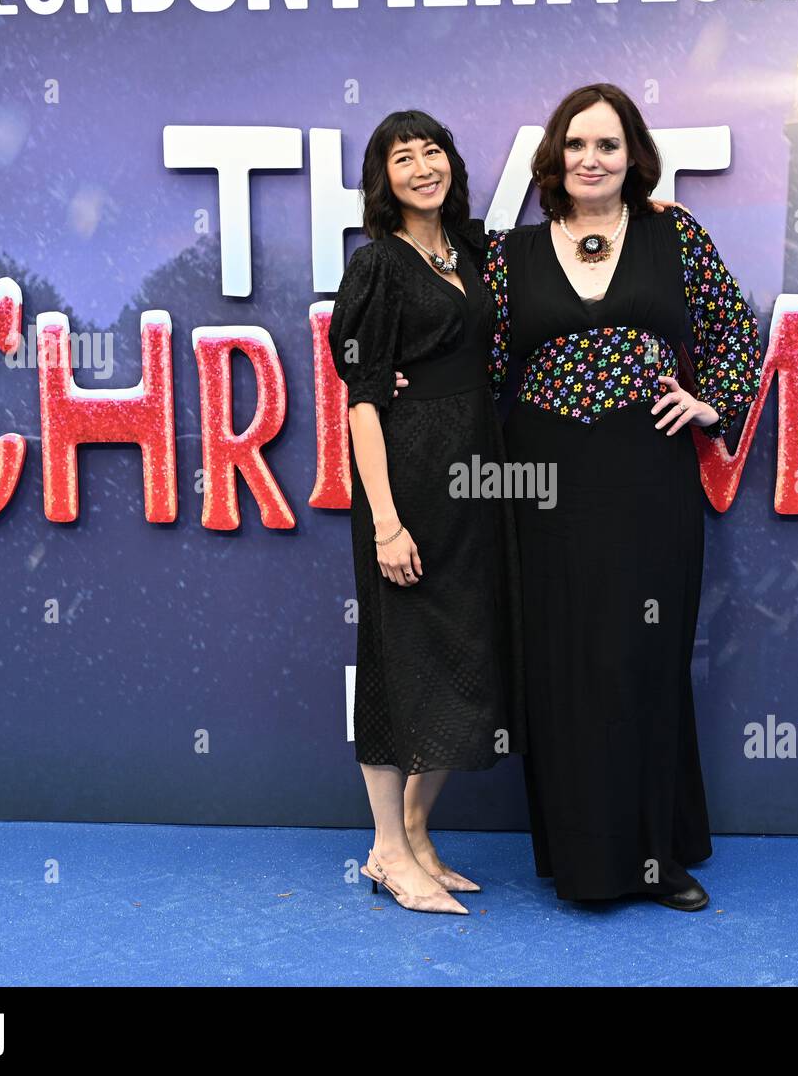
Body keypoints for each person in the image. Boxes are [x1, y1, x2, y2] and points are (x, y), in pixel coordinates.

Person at [481, 84, 765, 909]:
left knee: (644, 659)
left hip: (648, 475)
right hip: (545, 480)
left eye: (607, 146)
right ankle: (584, 862)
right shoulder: (511, 255)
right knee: (568, 662)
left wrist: (713, 400)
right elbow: (478, 370)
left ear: (633, 156)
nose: (591, 160)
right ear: (554, 158)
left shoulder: (672, 233)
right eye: (576, 145)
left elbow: (732, 329)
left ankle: (655, 858)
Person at [327, 110, 525, 916]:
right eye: (402, 158)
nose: (421, 167)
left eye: (431, 151)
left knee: (471, 654)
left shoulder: (473, 251)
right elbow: (363, 403)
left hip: (479, 479)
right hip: (405, 482)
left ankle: (415, 832)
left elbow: (569, 241)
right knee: (398, 662)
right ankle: (384, 847)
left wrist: (647, 209)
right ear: (383, 179)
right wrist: (384, 520)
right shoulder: (377, 266)